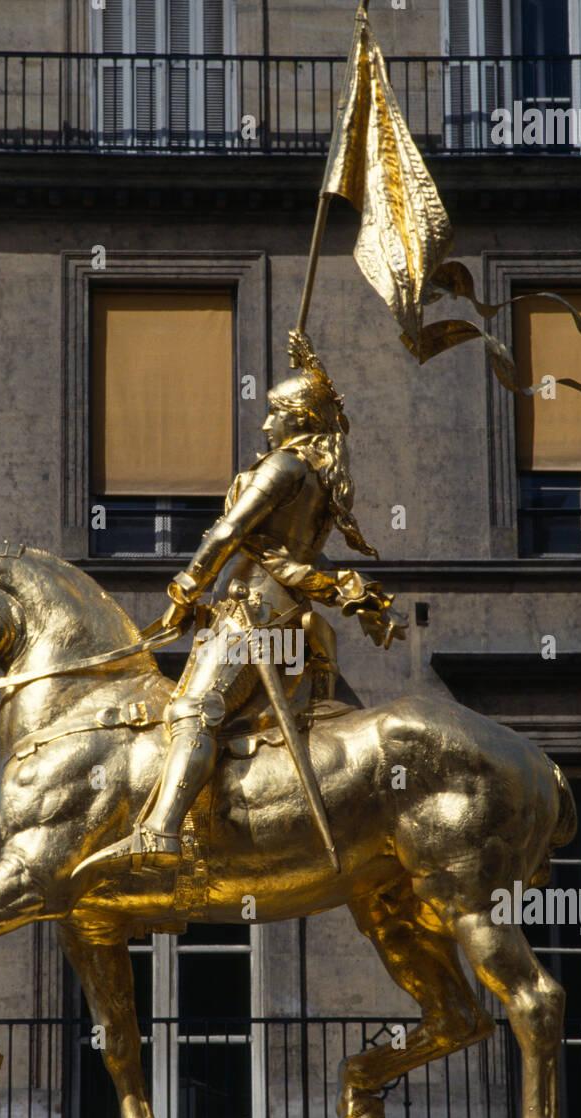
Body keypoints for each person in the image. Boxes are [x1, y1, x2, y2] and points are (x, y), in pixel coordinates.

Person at [78, 331, 405, 876]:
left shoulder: (283, 468)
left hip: (251, 615)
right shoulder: (318, 481)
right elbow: (296, 561)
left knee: (192, 710)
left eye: (276, 413)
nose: (265, 424)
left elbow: (228, 530)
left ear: (301, 419)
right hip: (278, 614)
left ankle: (160, 833)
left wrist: (187, 585)